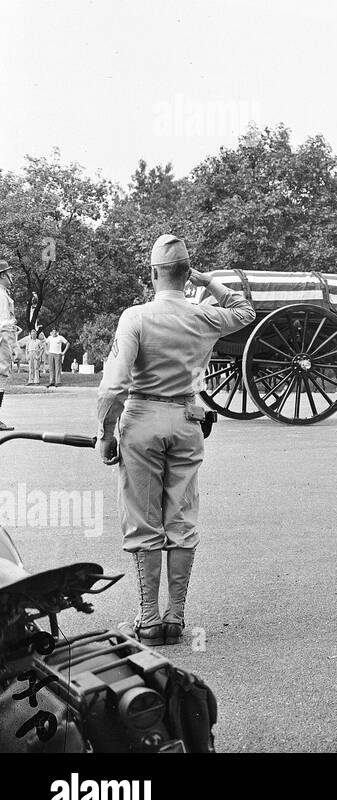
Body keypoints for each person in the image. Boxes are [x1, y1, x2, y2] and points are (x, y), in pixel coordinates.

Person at [96, 234, 255, 646]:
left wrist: (105, 435)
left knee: (143, 519)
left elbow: (113, 388)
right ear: (186, 274)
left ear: (152, 273)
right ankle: (175, 616)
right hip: (186, 419)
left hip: (142, 419)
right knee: (181, 520)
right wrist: (209, 281)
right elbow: (244, 310)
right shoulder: (205, 316)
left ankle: (148, 618)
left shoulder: (136, 317)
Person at [0, 261, 15, 431]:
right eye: (10, 273)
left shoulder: (4, 293)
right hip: (2, 340)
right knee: (1, 377)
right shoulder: (1, 295)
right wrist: (13, 346)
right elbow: (4, 323)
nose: (12, 276)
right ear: (3, 275)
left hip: (3, 338)